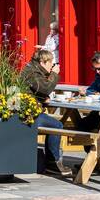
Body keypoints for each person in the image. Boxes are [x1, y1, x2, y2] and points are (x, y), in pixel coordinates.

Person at [20, 46, 66, 176]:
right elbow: (45, 88)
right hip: (28, 114)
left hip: (29, 110)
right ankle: (53, 163)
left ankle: (52, 161)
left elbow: (36, 90)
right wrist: (54, 74)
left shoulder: (32, 70)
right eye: (51, 63)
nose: (52, 66)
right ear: (42, 62)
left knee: (55, 123)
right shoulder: (32, 73)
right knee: (57, 125)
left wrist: (41, 98)